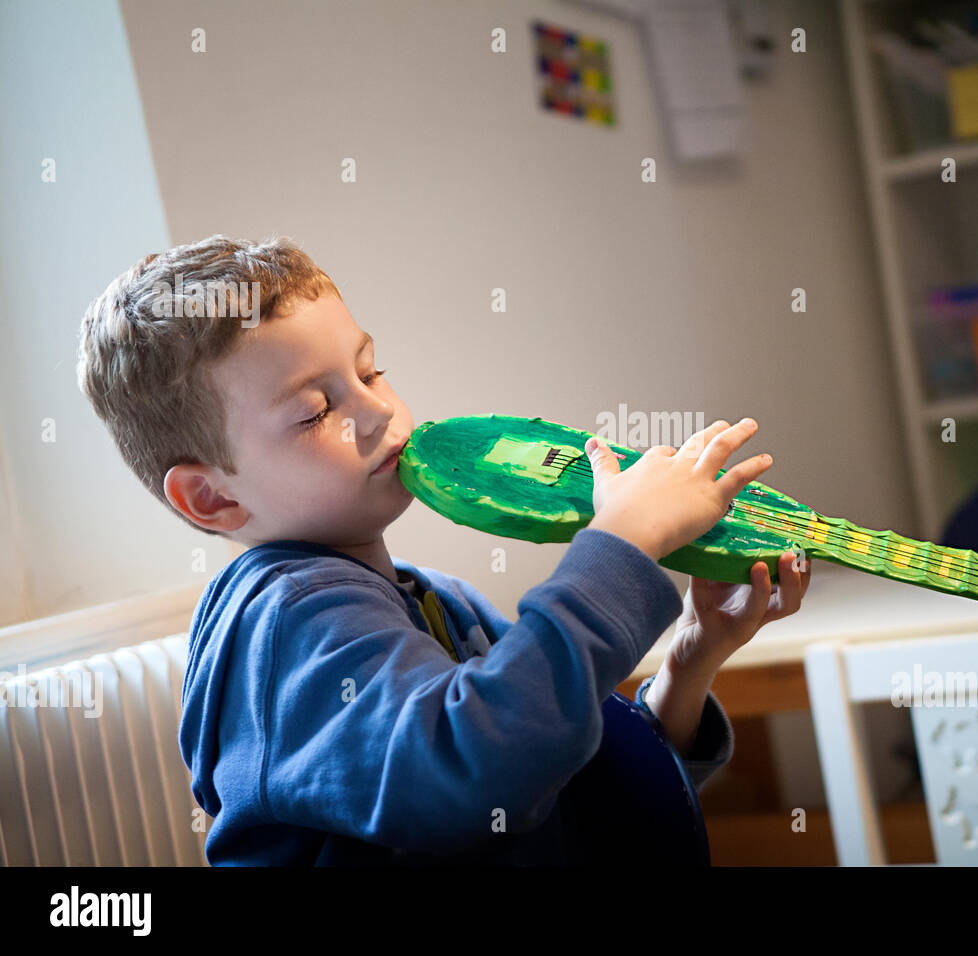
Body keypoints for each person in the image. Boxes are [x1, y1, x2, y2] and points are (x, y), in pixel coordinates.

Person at [76, 234, 810, 865]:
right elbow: (472, 772)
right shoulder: (284, 625)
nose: (377, 411)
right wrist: (619, 546)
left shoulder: (441, 599)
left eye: (369, 371)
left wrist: (689, 661)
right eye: (314, 412)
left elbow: (553, 773)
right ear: (214, 498)